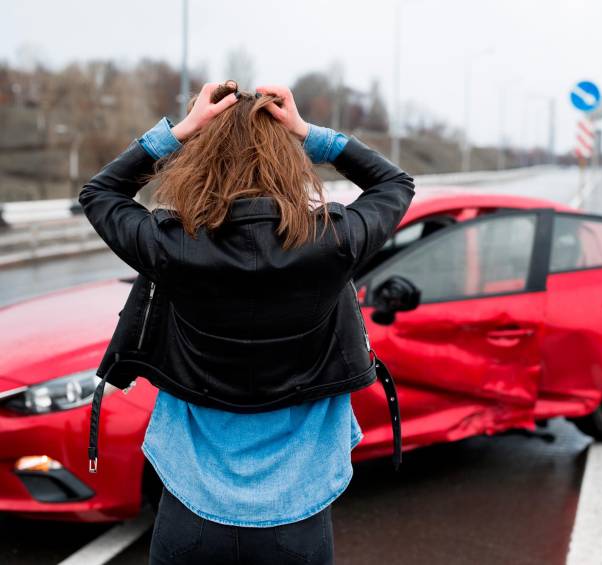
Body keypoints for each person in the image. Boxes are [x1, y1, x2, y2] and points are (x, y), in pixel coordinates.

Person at [77, 80, 415, 564]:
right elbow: (395, 184)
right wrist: (307, 131)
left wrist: (182, 129)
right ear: (288, 162)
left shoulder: (171, 246)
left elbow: (101, 191)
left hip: (190, 514)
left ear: (202, 160)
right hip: (297, 518)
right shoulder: (333, 243)